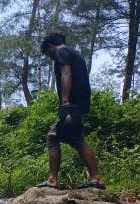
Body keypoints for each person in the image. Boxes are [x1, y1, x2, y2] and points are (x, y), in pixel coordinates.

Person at [38, 32, 105, 190]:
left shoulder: (61, 52)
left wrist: (65, 101)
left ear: (50, 47)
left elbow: (66, 74)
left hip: (71, 105)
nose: (51, 58)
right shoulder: (75, 54)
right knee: (77, 140)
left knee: (53, 138)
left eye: (49, 54)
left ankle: (53, 181)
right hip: (79, 105)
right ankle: (95, 179)